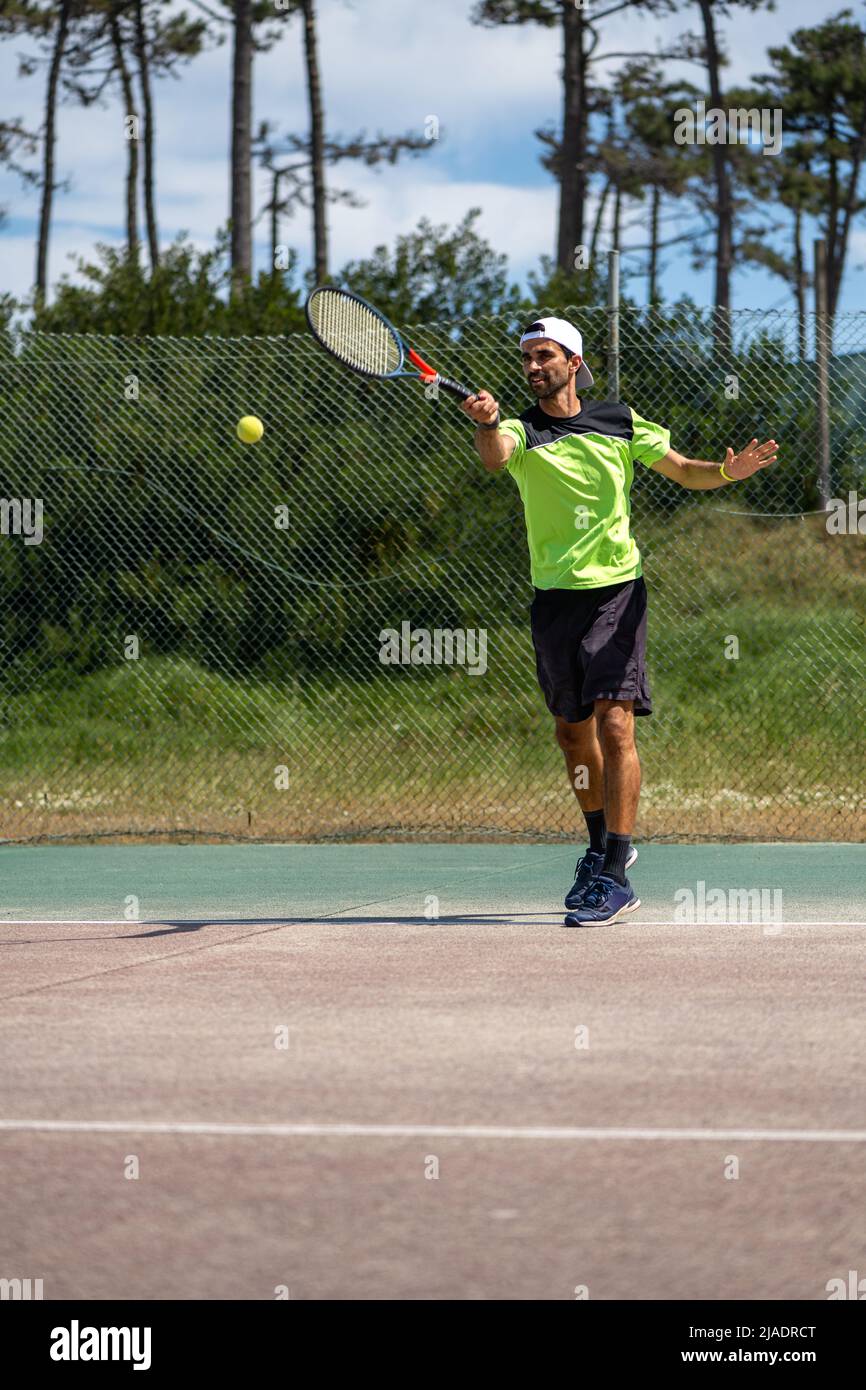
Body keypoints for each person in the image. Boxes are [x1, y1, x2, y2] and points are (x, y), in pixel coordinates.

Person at [462, 317, 777, 927]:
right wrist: (483, 423)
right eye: (525, 358)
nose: (532, 366)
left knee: (615, 723)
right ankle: (600, 841)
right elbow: (496, 458)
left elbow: (685, 469)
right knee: (571, 735)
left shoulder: (617, 421)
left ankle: (614, 872)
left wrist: (727, 473)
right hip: (554, 600)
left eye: (544, 356)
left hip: (617, 594)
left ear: (573, 362)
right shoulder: (519, 430)